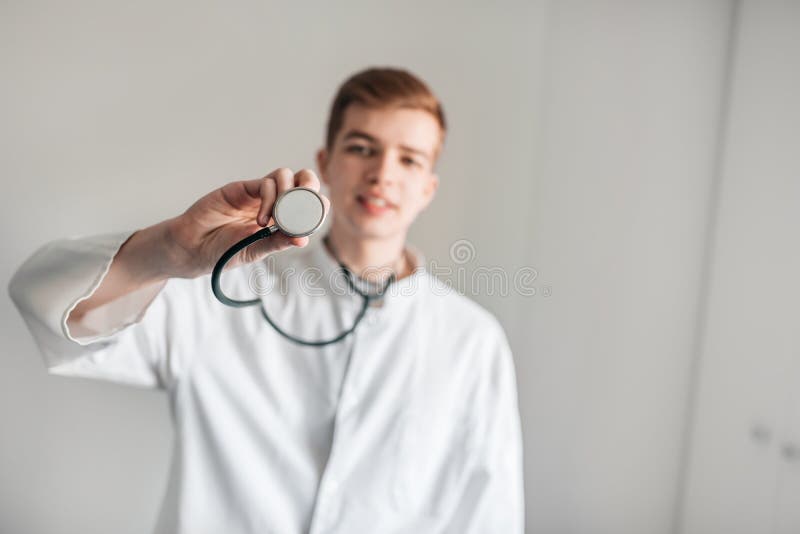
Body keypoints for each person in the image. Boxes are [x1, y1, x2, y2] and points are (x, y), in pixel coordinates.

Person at [8, 67, 524, 533]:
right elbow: (48, 304)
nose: (383, 173)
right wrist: (171, 249)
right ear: (326, 163)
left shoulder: (471, 342)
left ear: (428, 187)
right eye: (362, 147)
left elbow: (489, 513)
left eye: (408, 159)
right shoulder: (228, 287)